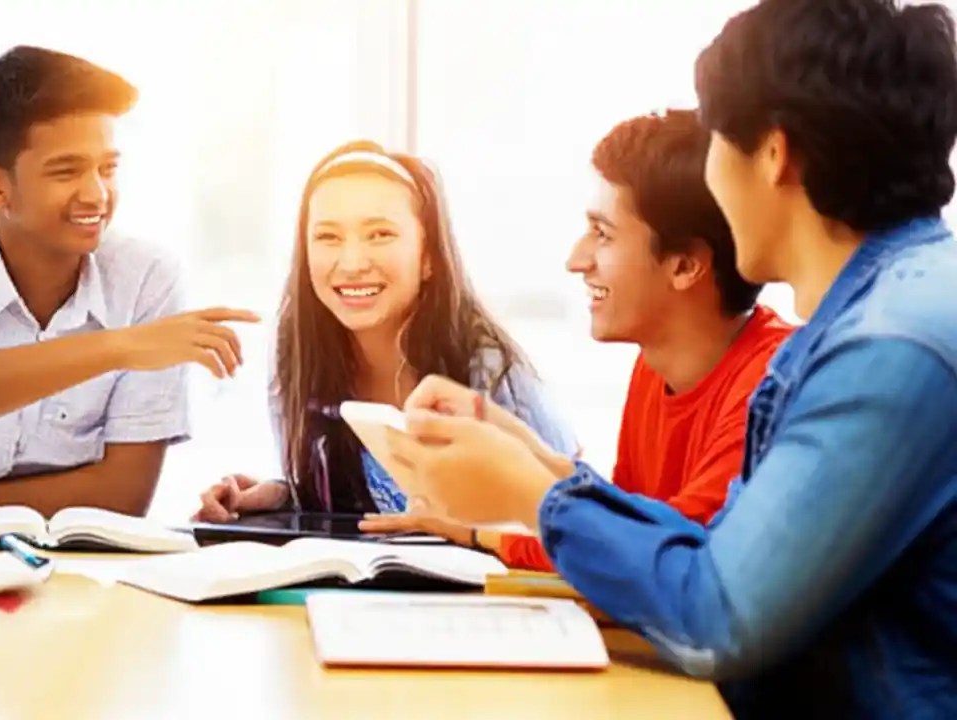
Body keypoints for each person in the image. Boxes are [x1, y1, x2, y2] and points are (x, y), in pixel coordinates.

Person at [386, 0, 957, 716]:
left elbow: (720, 614)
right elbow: (720, 553)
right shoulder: (880, 315)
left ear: (775, 153)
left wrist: (530, 497)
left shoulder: (888, 349)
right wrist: (540, 467)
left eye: (717, 139)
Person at [362, 111, 792, 569]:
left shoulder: (772, 382)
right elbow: (621, 521)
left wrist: (484, 532)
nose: (576, 259)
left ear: (685, 266)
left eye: (602, 234)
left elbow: (654, 555)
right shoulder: (656, 365)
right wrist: (512, 441)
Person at [0, 45, 257, 518]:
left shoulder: (147, 276)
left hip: (76, 568)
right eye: (66, 171)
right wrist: (121, 347)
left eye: (108, 168)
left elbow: (122, 497)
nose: (96, 194)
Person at [193, 141, 577, 521]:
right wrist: (275, 496)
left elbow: (569, 511)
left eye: (380, 234)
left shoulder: (491, 369)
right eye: (328, 237)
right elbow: (346, 503)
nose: (352, 262)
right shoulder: (297, 352)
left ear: (429, 257)